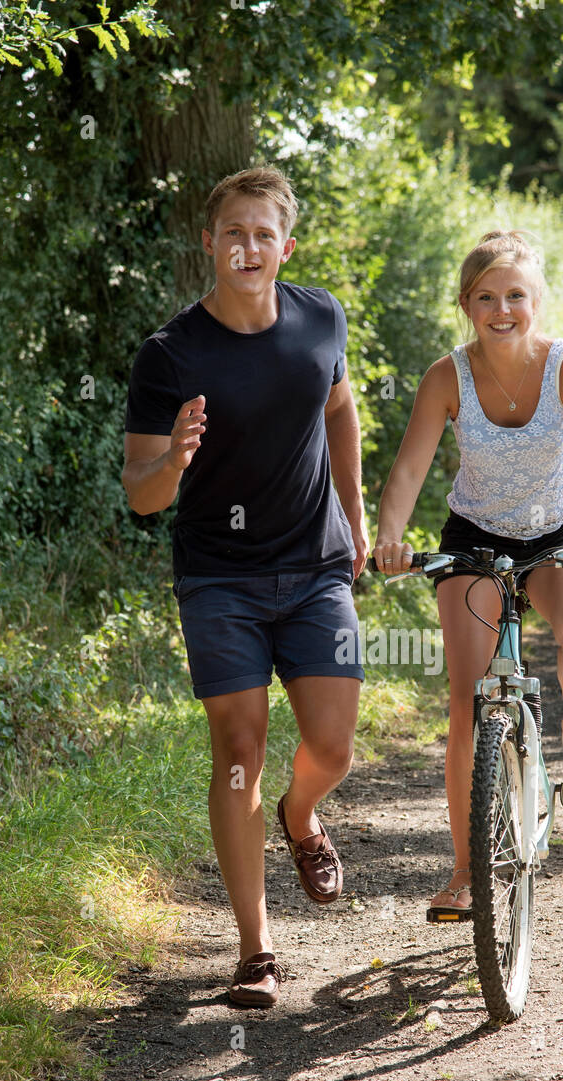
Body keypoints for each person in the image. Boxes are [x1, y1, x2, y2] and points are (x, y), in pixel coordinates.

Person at [122, 165, 368, 1006]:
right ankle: (256, 951)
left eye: (264, 234)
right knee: (238, 754)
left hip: (314, 565)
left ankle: (301, 818)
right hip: (219, 577)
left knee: (332, 746)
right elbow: (142, 497)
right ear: (209, 243)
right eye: (234, 233)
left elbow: (340, 409)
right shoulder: (170, 354)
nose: (249, 247)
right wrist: (174, 458)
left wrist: (356, 515)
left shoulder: (320, 316)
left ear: (285, 245)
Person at [373, 229, 563, 914]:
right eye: (487, 297)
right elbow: (408, 468)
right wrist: (387, 541)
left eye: (515, 296)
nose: (502, 309)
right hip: (474, 538)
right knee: (468, 703)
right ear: (466, 303)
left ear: (536, 301)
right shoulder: (447, 375)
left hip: (558, 532)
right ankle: (466, 873)